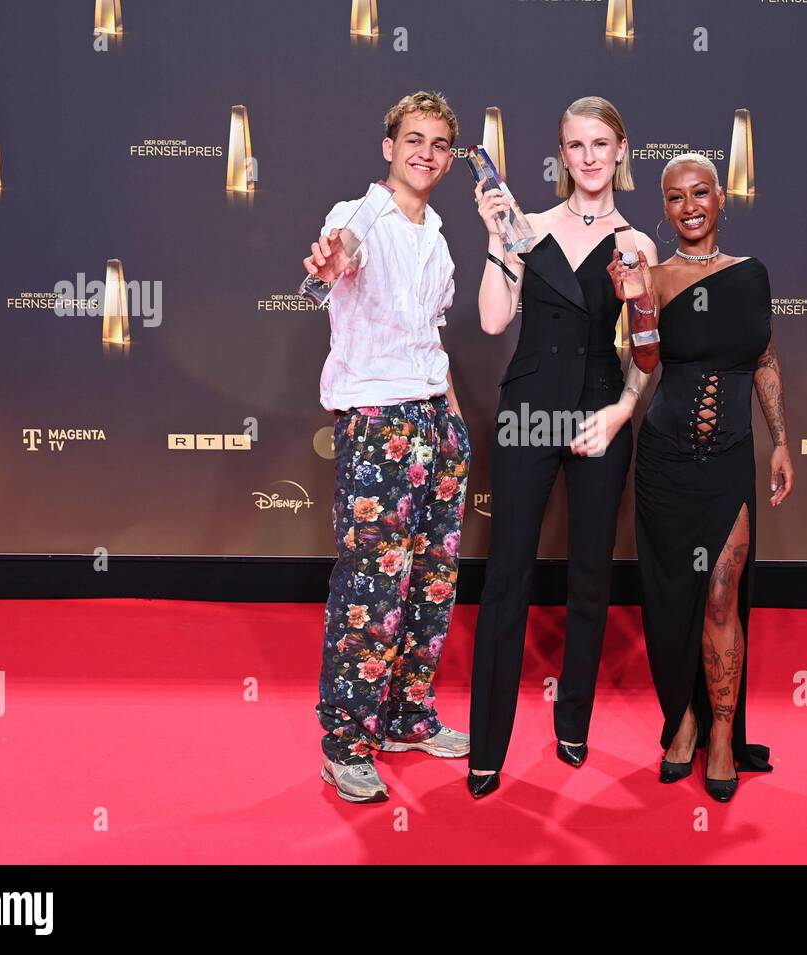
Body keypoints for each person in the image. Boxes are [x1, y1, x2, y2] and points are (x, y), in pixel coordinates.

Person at [464, 96, 658, 799]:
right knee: (507, 574)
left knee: (589, 576)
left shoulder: (638, 245)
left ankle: (571, 721)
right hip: (527, 413)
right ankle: (486, 746)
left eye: (602, 143)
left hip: (599, 414)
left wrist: (621, 411)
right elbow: (491, 321)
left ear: (621, 149)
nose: (590, 157)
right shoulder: (527, 226)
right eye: (576, 145)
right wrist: (495, 239)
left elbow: (645, 348)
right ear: (561, 154)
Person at [304, 91, 471, 804]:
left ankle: (405, 715)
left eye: (438, 143)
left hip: (437, 421)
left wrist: (456, 426)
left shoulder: (437, 233)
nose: (425, 153)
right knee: (371, 588)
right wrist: (326, 266)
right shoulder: (357, 215)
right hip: (378, 423)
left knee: (431, 581)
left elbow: (430, 340)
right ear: (388, 146)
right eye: (413, 139)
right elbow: (328, 267)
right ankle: (345, 742)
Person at [620, 152, 795, 802]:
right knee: (671, 599)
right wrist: (638, 302)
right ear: (663, 209)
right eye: (674, 197)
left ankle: (722, 731)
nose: (689, 206)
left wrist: (782, 442)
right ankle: (684, 718)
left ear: (721, 198)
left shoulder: (752, 275)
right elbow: (644, 360)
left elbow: (767, 358)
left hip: (729, 461)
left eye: (700, 193)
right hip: (665, 458)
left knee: (722, 593)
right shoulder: (656, 277)